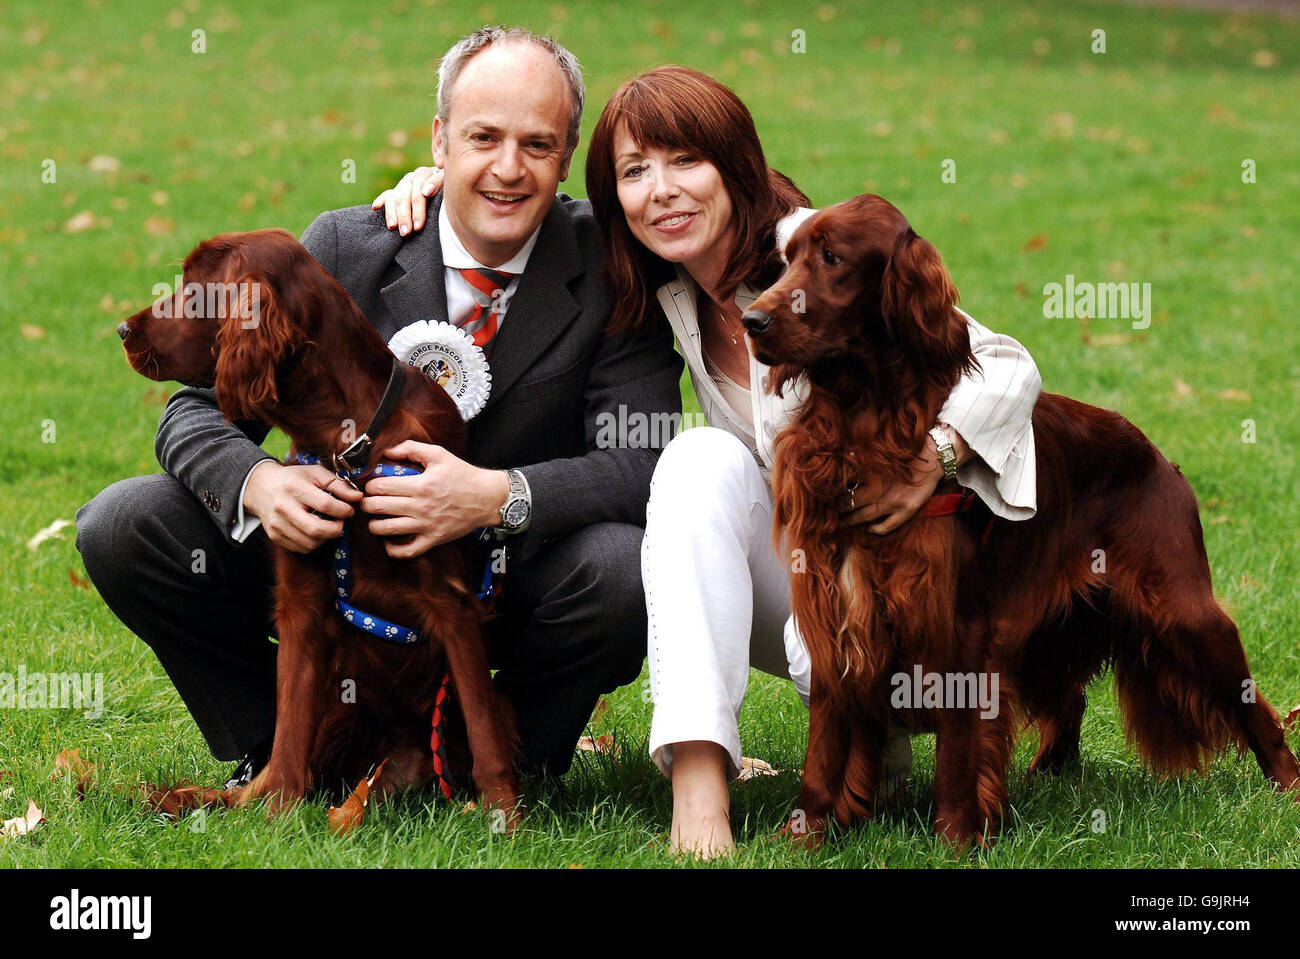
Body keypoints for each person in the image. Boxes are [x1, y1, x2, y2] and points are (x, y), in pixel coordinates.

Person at [380, 66, 1041, 857]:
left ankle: (871, 744)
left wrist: (935, 455)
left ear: (736, 166)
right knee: (698, 459)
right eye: (634, 171)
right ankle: (701, 799)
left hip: (897, 595)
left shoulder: (813, 255)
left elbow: (1007, 363)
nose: (661, 191)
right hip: (812, 588)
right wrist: (438, 175)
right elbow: (521, 201)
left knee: (713, 472)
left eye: (685, 160)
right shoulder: (653, 273)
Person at [75, 27, 684, 789]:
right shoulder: (345, 245)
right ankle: (280, 750)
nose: (506, 168)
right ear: (439, 140)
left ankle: (501, 760)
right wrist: (259, 482)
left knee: (622, 569)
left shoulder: (611, 269)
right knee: (124, 524)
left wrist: (498, 496)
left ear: (566, 157)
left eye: (536, 144)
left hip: (511, 588)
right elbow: (191, 411)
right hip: (337, 573)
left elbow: (646, 459)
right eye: (482, 137)